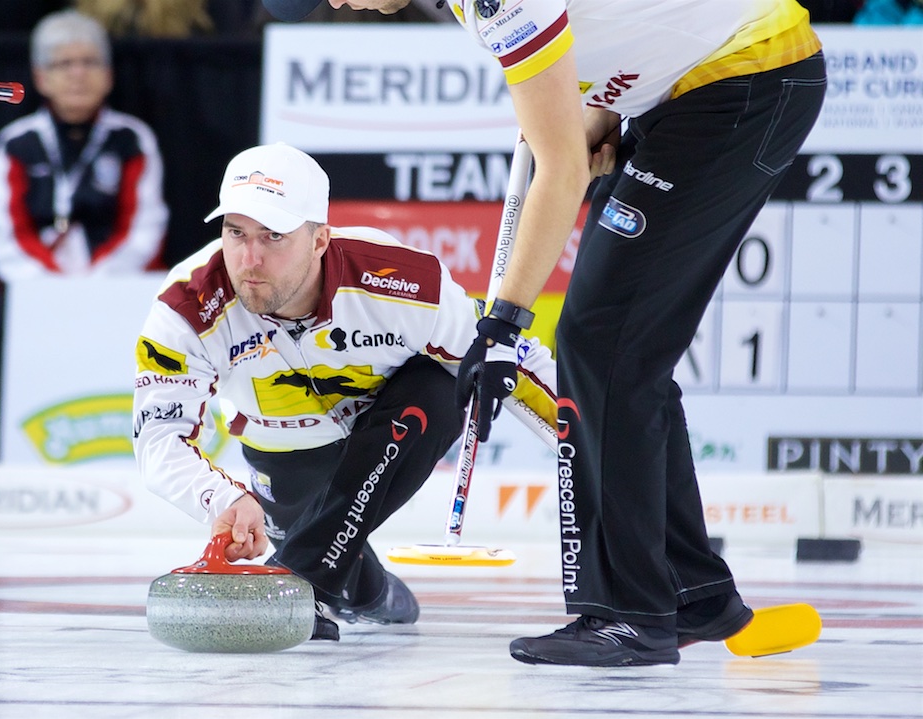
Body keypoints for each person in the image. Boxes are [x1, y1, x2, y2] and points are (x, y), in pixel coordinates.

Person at [261, 0, 828, 666]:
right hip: (692, 89)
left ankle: (631, 614)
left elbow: (560, 171)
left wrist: (503, 322)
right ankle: (688, 591)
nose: (337, 3)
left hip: (743, 78)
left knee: (605, 345)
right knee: (614, 349)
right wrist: (603, 110)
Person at [131, 142, 557, 640]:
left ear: (320, 240)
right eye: (236, 233)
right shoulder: (187, 305)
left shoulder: (399, 279)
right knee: (344, 574)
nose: (250, 259)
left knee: (440, 385)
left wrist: (591, 448)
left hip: (390, 429)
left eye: (273, 236)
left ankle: (301, 582)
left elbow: (508, 359)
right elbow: (158, 438)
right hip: (284, 453)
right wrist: (223, 498)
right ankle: (371, 591)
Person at [0, 9, 169, 458]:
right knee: (4, 315)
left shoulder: (132, 138)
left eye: (89, 62)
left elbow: (144, 225)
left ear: (109, 75)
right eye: (64, 64)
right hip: (35, 280)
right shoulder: (17, 141)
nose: (78, 74)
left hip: (118, 280)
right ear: (41, 77)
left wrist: (96, 284)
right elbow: (5, 229)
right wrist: (48, 286)